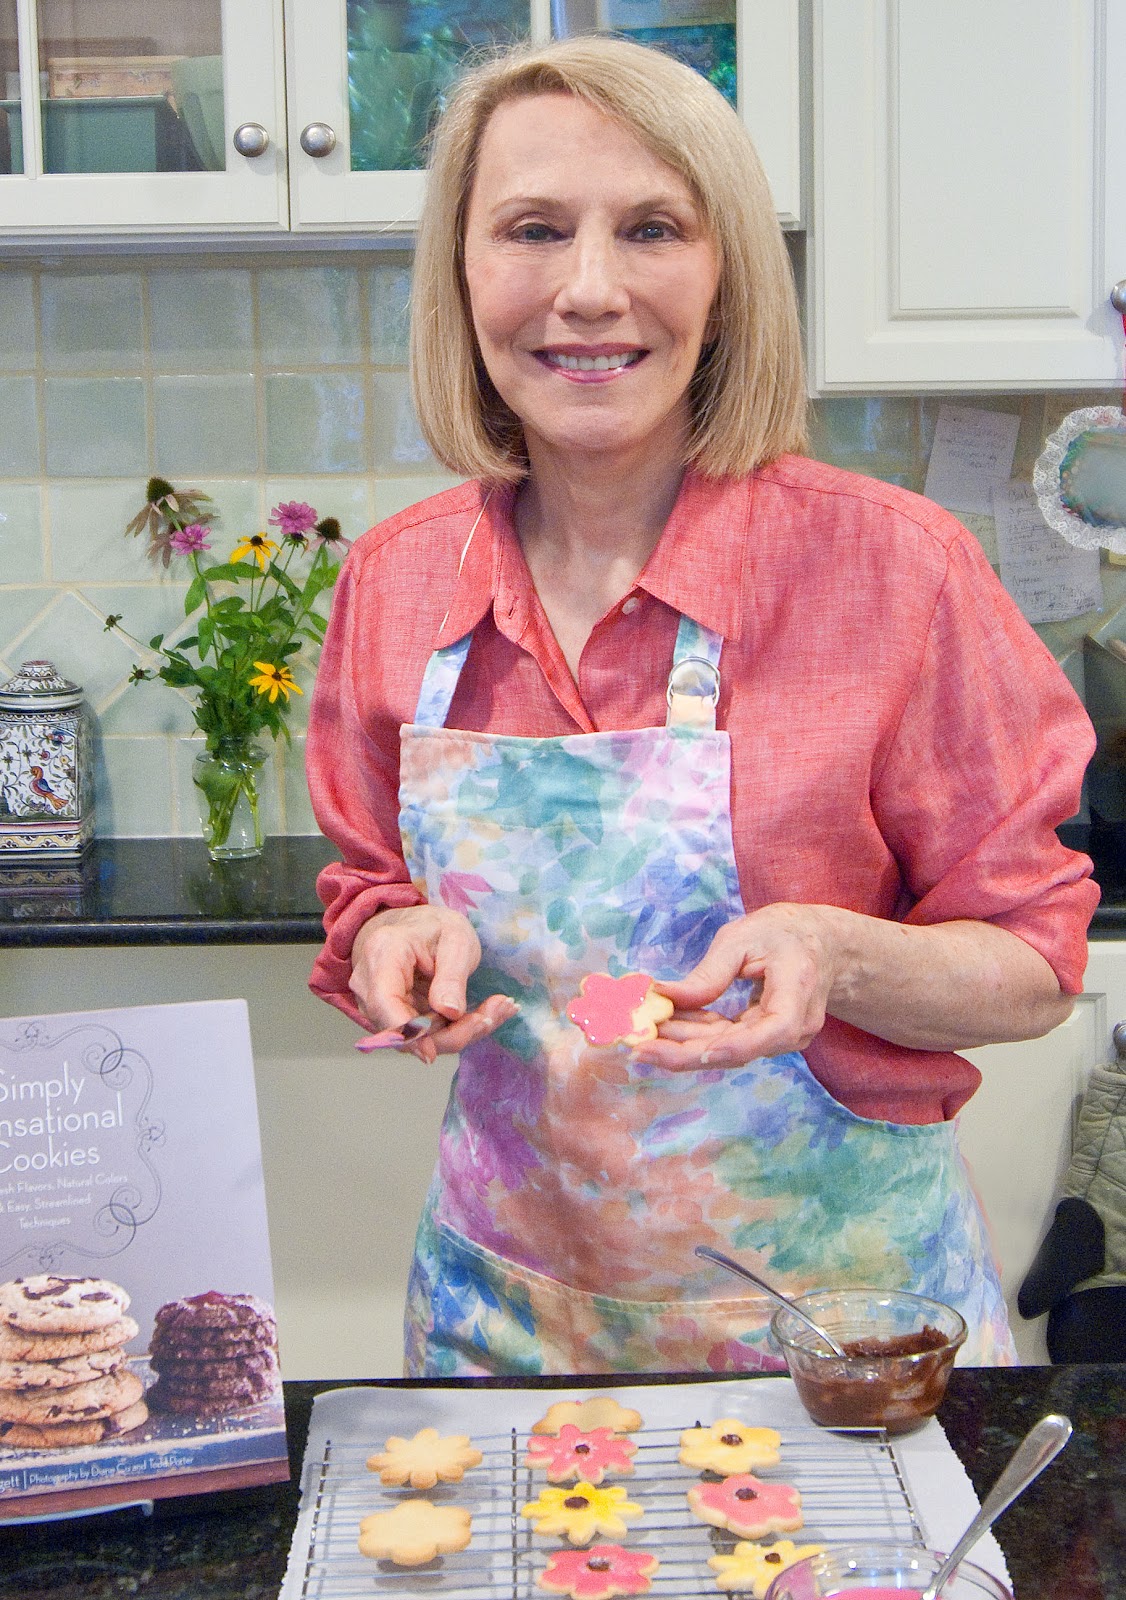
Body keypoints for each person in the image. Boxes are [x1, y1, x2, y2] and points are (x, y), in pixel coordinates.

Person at [306, 35, 1098, 1377]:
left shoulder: (895, 573)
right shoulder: (394, 584)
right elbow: (368, 884)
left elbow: (1030, 971)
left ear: (726, 279)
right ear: (463, 273)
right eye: (533, 230)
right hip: (502, 1326)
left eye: (654, 229)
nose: (590, 289)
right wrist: (393, 940)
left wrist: (834, 955)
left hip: (843, 1339)